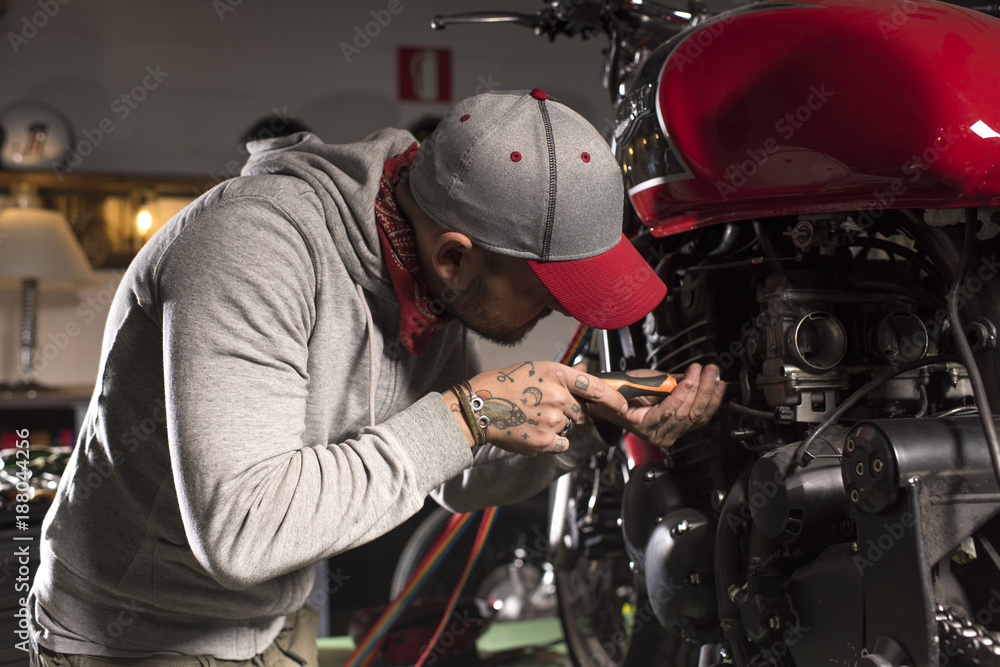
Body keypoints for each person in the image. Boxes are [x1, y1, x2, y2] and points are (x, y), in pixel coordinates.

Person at [29, 89, 725, 666]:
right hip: (131, 640)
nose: (562, 309)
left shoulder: (426, 267)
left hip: (273, 628)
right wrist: (466, 412)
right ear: (456, 256)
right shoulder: (250, 252)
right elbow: (243, 530)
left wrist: (594, 421)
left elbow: (455, 474)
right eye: (547, 289)